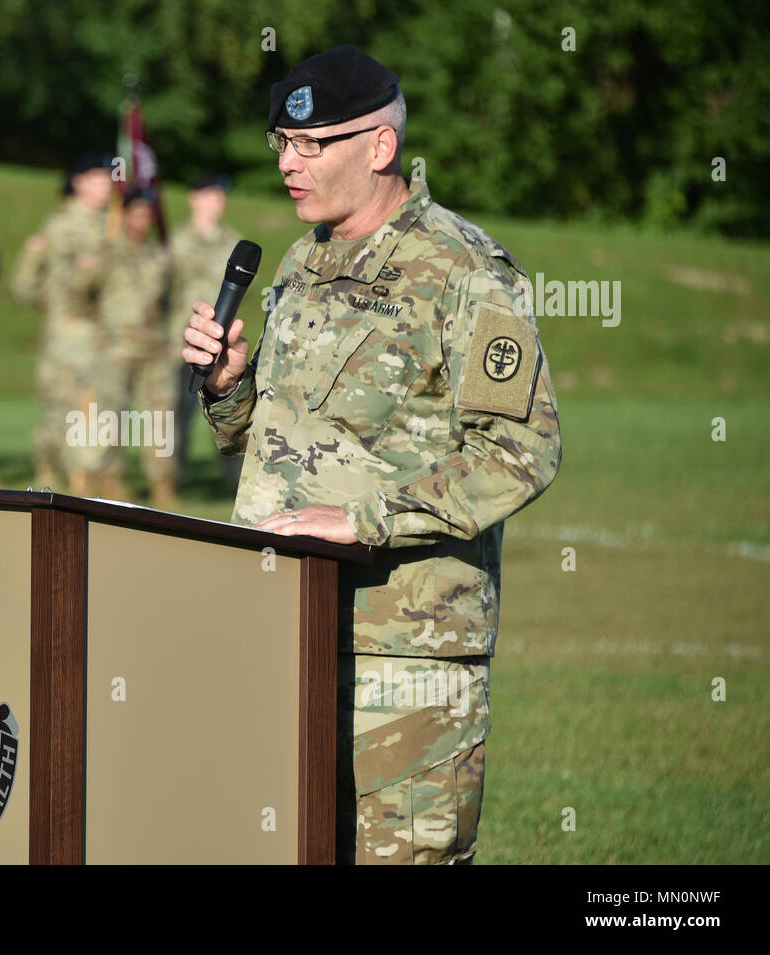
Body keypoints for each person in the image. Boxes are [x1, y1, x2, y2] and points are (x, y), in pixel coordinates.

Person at [182, 45, 562, 864]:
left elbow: (523, 446)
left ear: (380, 148)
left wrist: (368, 519)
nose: (288, 163)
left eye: (311, 145)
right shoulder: (299, 265)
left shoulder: (464, 269)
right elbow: (275, 448)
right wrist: (228, 388)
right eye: (280, 143)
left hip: (407, 657)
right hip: (286, 627)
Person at [11, 153, 111, 493]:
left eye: (107, 178)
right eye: (97, 178)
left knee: (98, 405)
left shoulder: (115, 225)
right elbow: (25, 284)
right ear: (78, 182)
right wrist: (54, 303)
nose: (105, 186)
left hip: (105, 335)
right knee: (61, 405)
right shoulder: (61, 225)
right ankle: (51, 469)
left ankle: (89, 476)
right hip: (67, 333)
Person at [95, 190, 177, 507]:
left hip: (153, 348)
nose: (143, 220)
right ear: (125, 215)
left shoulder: (160, 256)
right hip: (115, 348)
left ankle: (162, 485)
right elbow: (82, 293)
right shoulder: (107, 253)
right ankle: (110, 479)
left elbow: (170, 299)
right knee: (112, 415)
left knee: (159, 418)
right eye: (137, 213)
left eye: (148, 214)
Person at [166, 174, 241, 488]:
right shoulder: (175, 242)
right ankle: (170, 480)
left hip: (221, 345)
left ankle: (234, 480)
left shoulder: (232, 242)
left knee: (226, 410)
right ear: (193, 199)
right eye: (210, 195)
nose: (217, 202)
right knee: (177, 412)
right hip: (183, 340)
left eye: (220, 196)